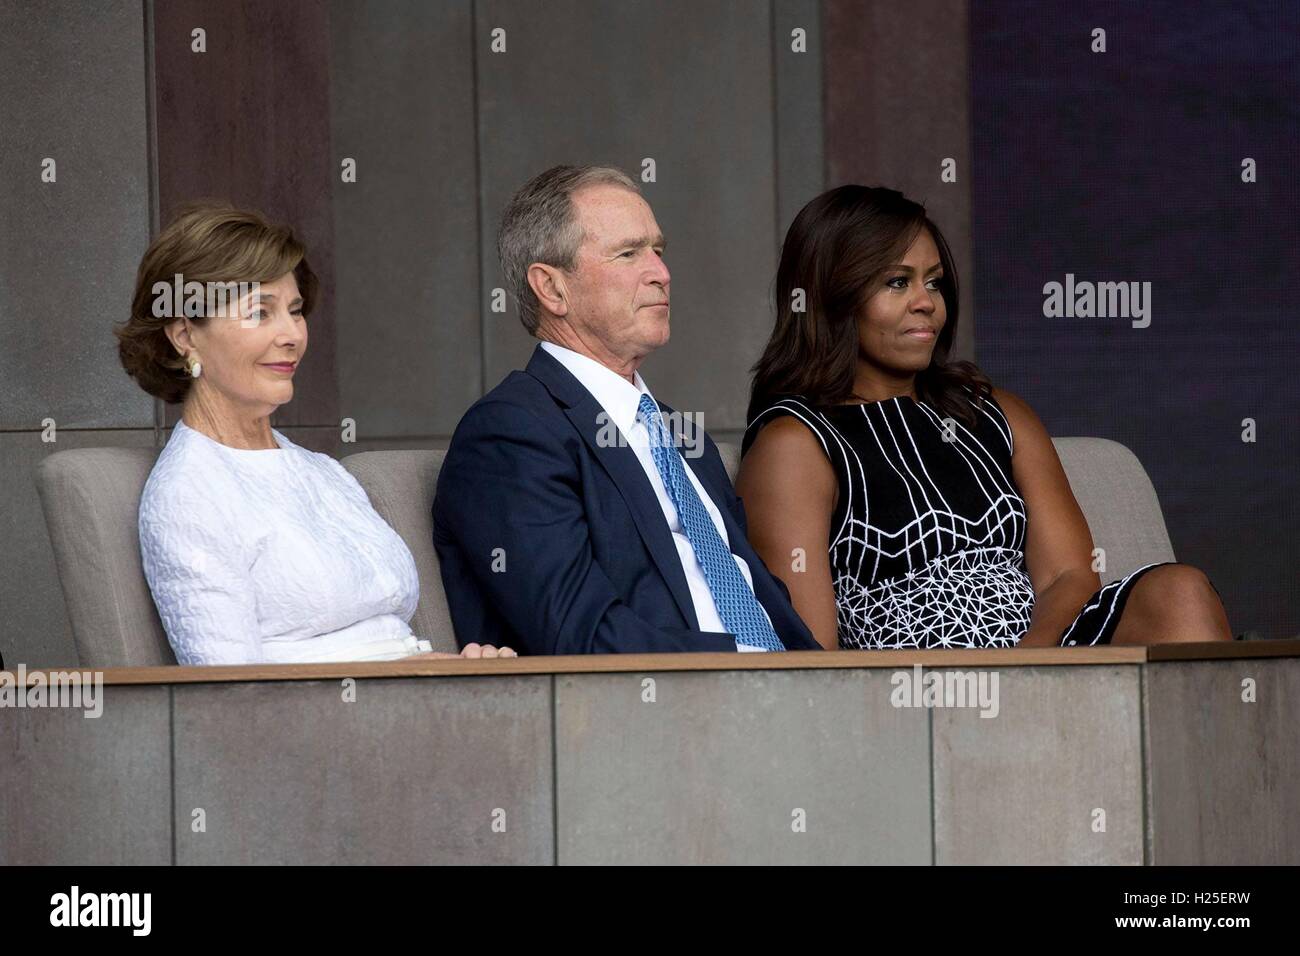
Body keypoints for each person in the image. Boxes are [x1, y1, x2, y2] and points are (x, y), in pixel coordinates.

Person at [736, 185, 1234, 649]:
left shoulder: (993, 410)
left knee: (1180, 590)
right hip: (911, 693)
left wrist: (1017, 675)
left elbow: (1069, 577)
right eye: (896, 282)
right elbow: (811, 660)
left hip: (1045, 661)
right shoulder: (794, 443)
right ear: (831, 298)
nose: (926, 303)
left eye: (934, 282)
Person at [433, 165, 821, 655]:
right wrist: (751, 667)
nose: (662, 273)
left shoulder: (680, 433)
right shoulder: (510, 434)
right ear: (552, 289)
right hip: (665, 712)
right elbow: (581, 639)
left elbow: (759, 599)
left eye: (657, 251)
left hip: (788, 697)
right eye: (628, 253)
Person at [117, 202, 514, 664]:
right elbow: (227, 699)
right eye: (260, 313)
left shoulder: (321, 472)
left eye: (295, 311)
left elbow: (386, 644)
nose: (292, 335)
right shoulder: (189, 495)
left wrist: (458, 672)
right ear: (185, 336)